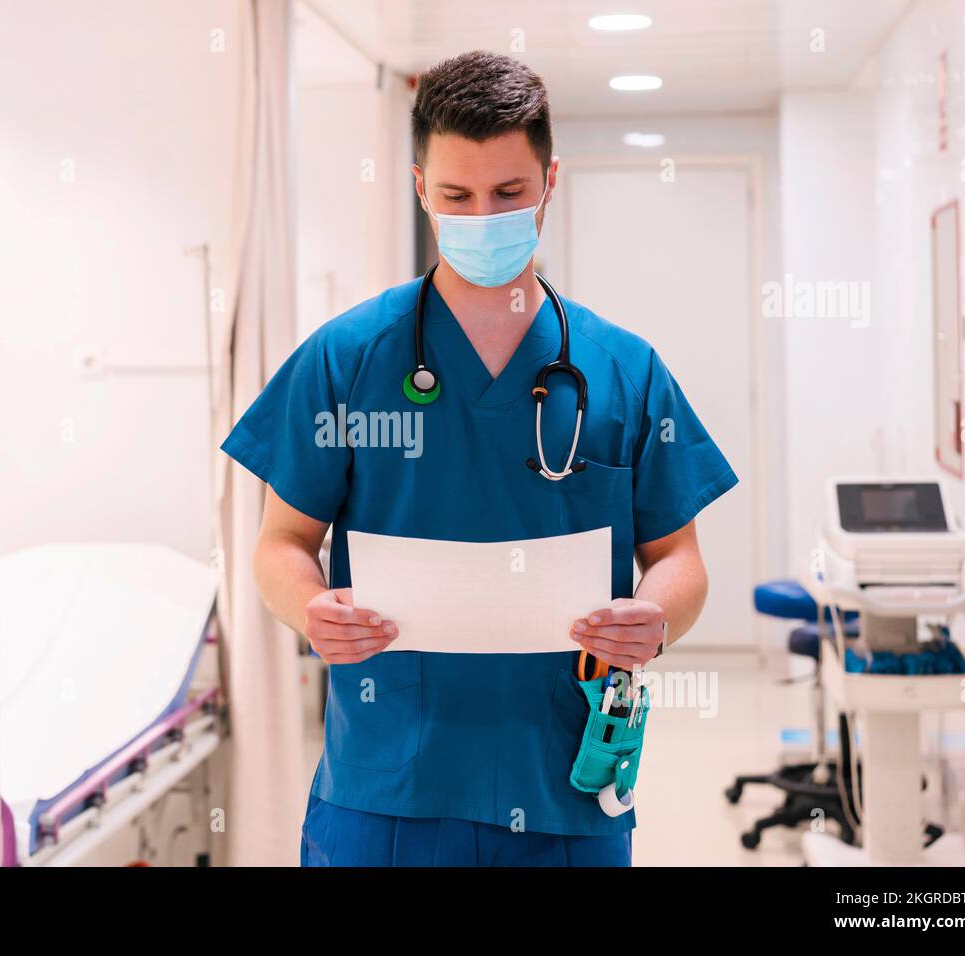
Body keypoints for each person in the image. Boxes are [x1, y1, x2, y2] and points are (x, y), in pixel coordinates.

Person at [221, 50, 738, 867]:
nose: (483, 216)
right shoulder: (347, 358)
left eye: (508, 194)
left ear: (550, 183)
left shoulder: (624, 369)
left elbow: (679, 559)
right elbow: (281, 545)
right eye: (457, 196)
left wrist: (657, 616)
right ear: (420, 186)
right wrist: (308, 610)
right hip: (386, 790)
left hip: (568, 786)